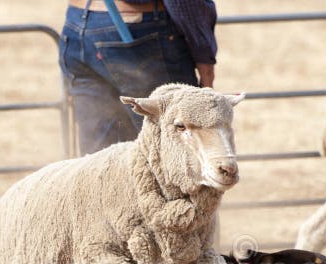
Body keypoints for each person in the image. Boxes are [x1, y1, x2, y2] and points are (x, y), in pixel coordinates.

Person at [60, 0, 218, 154]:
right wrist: (204, 54)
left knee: (100, 159)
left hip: (77, 22)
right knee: (177, 157)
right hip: (137, 26)